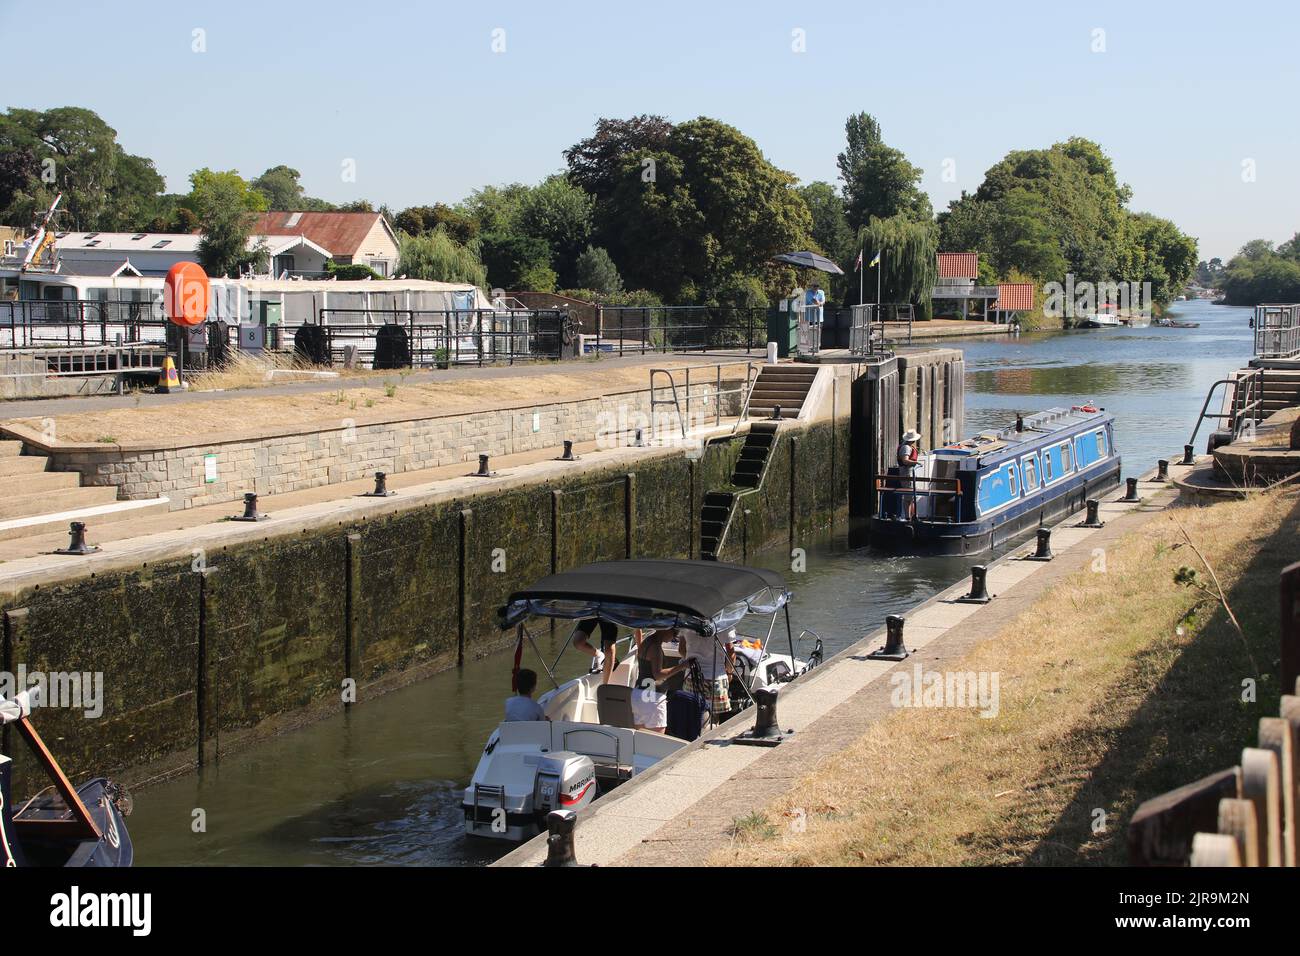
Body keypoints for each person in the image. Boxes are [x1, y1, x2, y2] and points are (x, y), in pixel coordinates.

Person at [631, 629, 690, 733]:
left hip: (639, 694)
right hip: (652, 696)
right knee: (657, 739)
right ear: (666, 630)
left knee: (640, 738)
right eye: (675, 633)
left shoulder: (646, 641)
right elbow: (658, 675)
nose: (675, 637)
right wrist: (682, 666)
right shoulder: (656, 648)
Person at [573, 617, 618, 684]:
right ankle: (600, 655)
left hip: (610, 609)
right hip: (593, 608)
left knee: (609, 649)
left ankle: (605, 685)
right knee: (578, 642)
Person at [896, 429, 922, 519]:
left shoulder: (907, 446)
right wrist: (916, 463)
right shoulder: (906, 447)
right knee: (908, 497)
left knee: (911, 497)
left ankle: (912, 516)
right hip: (907, 473)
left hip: (909, 473)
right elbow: (905, 461)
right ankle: (908, 517)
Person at [804, 282, 826, 354]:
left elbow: (823, 301)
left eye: (817, 286)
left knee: (818, 332)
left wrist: (820, 303)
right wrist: (819, 304)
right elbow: (813, 300)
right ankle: (810, 348)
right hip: (810, 317)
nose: (816, 287)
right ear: (812, 286)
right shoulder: (808, 293)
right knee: (810, 332)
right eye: (814, 286)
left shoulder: (821, 292)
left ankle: (817, 346)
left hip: (819, 317)